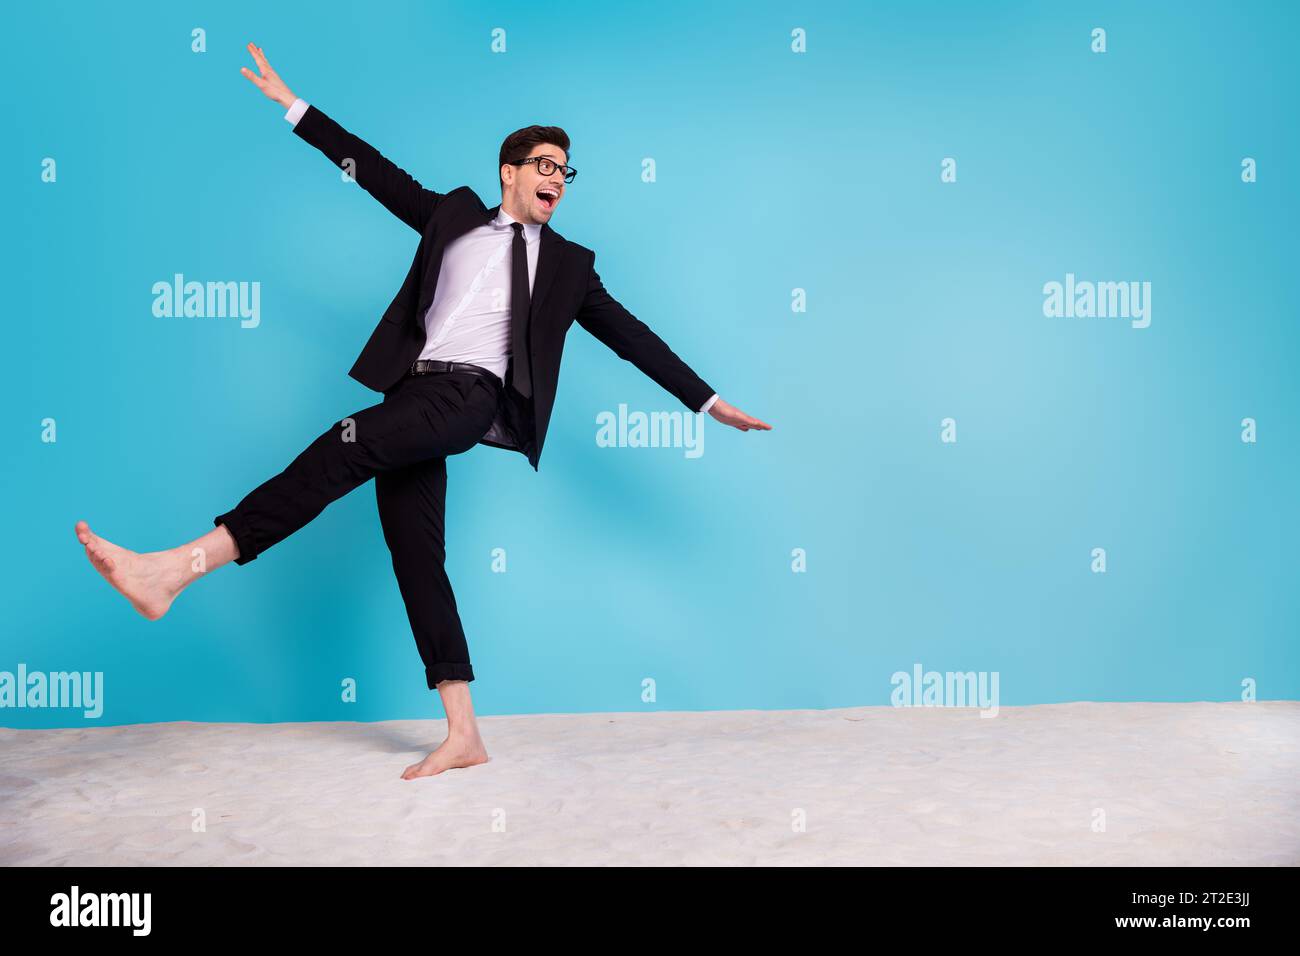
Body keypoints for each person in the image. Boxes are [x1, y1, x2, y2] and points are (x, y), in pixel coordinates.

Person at [76, 42, 771, 780]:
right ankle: (464, 730)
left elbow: (632, 337)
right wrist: (296, 107)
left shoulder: (569, 267)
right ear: (509, 172)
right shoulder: (452, 216)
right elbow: (371, 172)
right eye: (544, 165)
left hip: (470, 397)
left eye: (565, 171)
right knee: (415, 553)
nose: (557, 180)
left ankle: (178, 569)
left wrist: (708, 402)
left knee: (339, 446)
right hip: (414, 394)